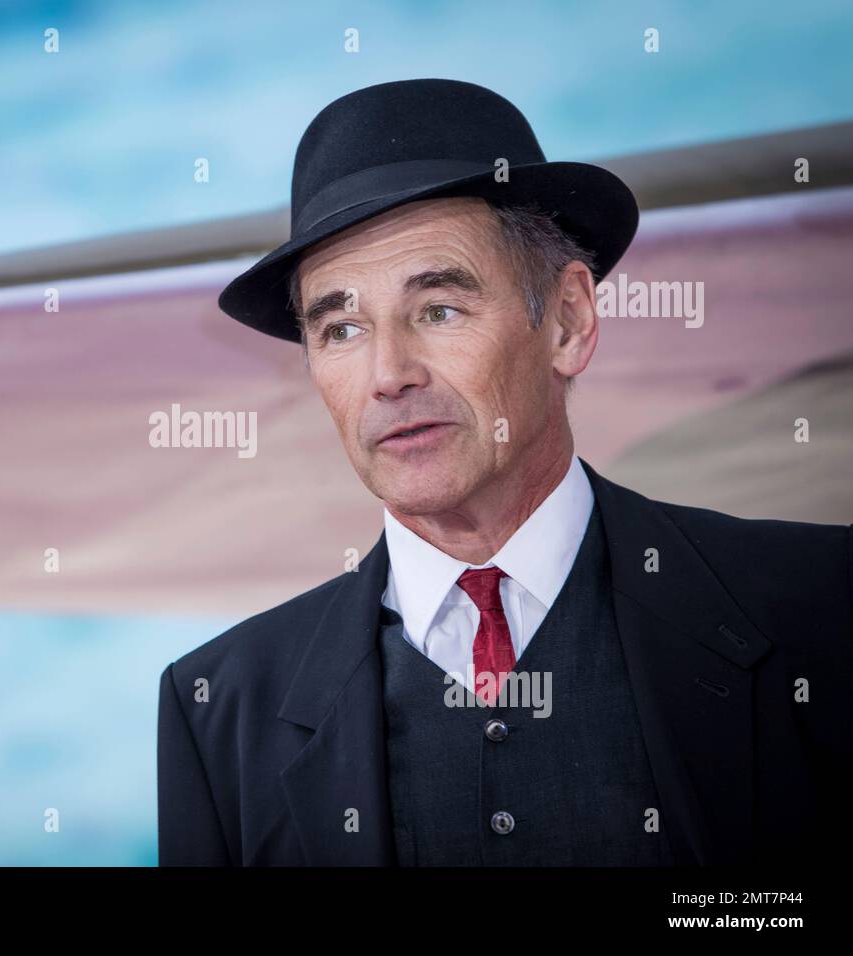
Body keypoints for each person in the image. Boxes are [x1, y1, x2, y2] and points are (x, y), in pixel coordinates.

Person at [156, 78, 852, 866]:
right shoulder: (219, 706)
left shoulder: (825, 604)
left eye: (439, 310)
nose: (390, 374)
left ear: (568, 321)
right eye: (342, 328)